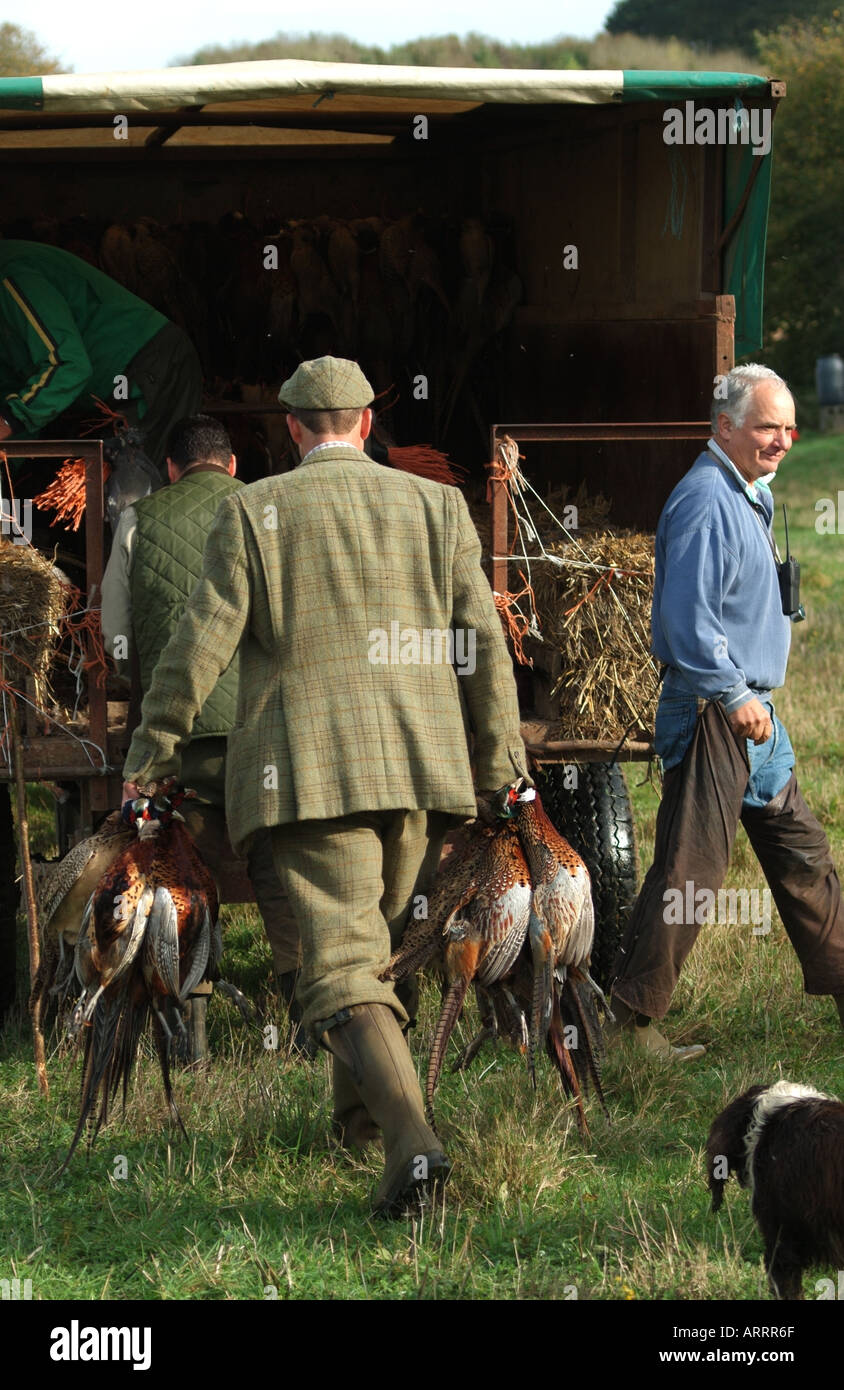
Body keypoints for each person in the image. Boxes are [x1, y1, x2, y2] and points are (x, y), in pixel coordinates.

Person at [120, 356, 528, 1215]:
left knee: (339, 965)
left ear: (293, 431)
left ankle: (413, 1146)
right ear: (368, 424)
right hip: (421, 769)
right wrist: (501, 769)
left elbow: (198, 646)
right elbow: (483, 642)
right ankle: (360, 1129)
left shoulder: (254, 509)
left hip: (306, 773)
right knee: (375, 951)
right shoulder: (437, 505)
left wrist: (152, 752)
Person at [610, 364, 844, 1057]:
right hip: (719, 707)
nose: (782, 440)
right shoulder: (707, 499)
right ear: (725, 427)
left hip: (753, 713)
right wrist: (735, 695)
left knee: (804, 852)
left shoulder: (748, 493)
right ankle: (630, 1027)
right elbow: (686, 618)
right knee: (692, 870)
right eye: (768, 426)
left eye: (788, 427)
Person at [101, 414, 303, 1058]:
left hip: (177, 744)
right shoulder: (269, 512)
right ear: (234, 465)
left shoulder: (141, 520)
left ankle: (187, 1031)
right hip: (265, 737)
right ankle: (307, 1023)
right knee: (276, 872)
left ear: (168, 470)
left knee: (179, 875)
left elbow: (115, 634)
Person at [0, 239, 201, 471]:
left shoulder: (12, 276)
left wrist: (9, 421)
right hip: (111, 387)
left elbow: (69, 365)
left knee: (138, 491)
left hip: (144, 369)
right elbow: (13, 393)